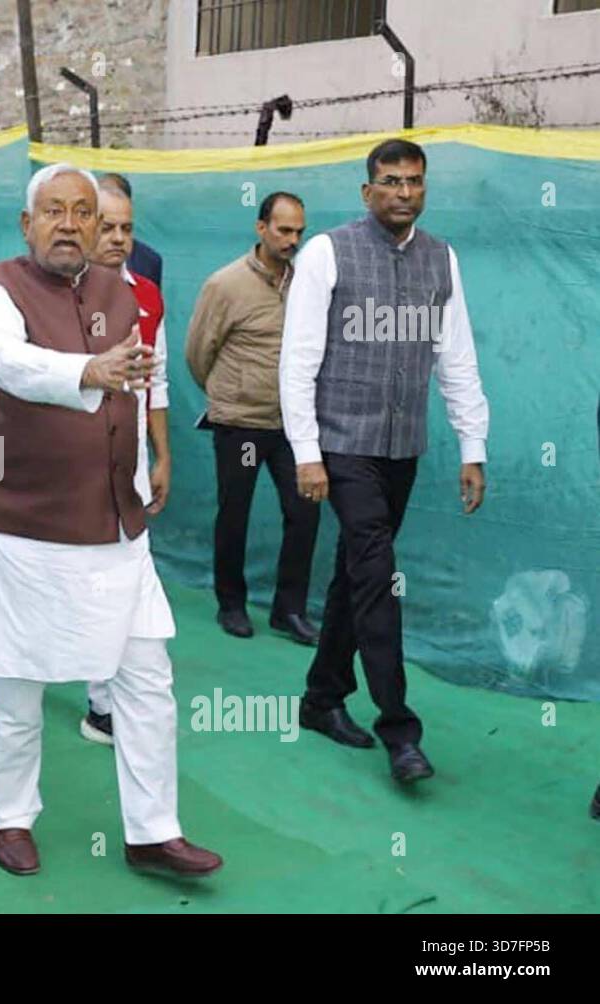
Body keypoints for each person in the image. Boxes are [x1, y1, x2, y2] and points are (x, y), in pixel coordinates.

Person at [0, 164, 220, 879]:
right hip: (23, 527)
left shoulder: (121, 291)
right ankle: (11, 817)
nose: (69, 224)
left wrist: (156, 448)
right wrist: (91, 372)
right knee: (15, 682)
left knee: (147, 679)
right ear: (27, 225)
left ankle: (153, 830)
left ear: (98, 227)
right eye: (53, 211)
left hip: (116, 527)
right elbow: (8, 363)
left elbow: (145, 372)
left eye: (82, 213)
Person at [280, 138, 489, 783]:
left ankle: (320, 699)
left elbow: (456, 357)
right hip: (342, 444)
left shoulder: (441, 259)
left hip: (403, 448)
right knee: (377, 569)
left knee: (357, 573)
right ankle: (399, 727)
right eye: (391, 181)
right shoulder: (326, 251)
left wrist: (471, 447)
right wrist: (307, 453)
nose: (403, 192)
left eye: (415, 182)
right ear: (366, 190)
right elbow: (299, 359)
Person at [186, 192, 320, 645]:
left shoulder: (307, 282)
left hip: (293, 425)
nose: (292, 240)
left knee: (305, 512)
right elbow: (198, 353)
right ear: (261, 228)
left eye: (299, 231)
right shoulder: (224, 286)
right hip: (241, 423)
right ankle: (232, 604)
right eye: (284, 230)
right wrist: (232, 396)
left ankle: (289, 611)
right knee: (235, 512)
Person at [79, 179, 170, 747]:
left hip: (128, 462)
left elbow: (153, 380)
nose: (117, 238)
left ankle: (105, 703)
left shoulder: (149, 295)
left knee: (120, 575)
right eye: (105, 226)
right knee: (78, 576)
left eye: (126, 228)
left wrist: (161, 455)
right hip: (66, 463)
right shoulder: (49, 295)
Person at [99, 173, 162, 288]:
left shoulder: (149, 292)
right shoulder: (64, 289)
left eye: (126, 229)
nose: (119, 238)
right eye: (106, 229)